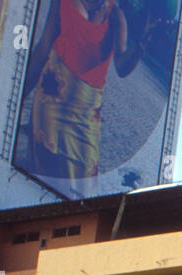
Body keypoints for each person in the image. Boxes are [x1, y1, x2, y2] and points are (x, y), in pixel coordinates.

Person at [21, 0, 167, 181]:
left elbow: (121, 67)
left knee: (83, 180)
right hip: (49, 104)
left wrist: (140, 45)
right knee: (41, 176)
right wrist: (21, 95)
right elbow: (43, 47)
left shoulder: (115, 16)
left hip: (85, 115)